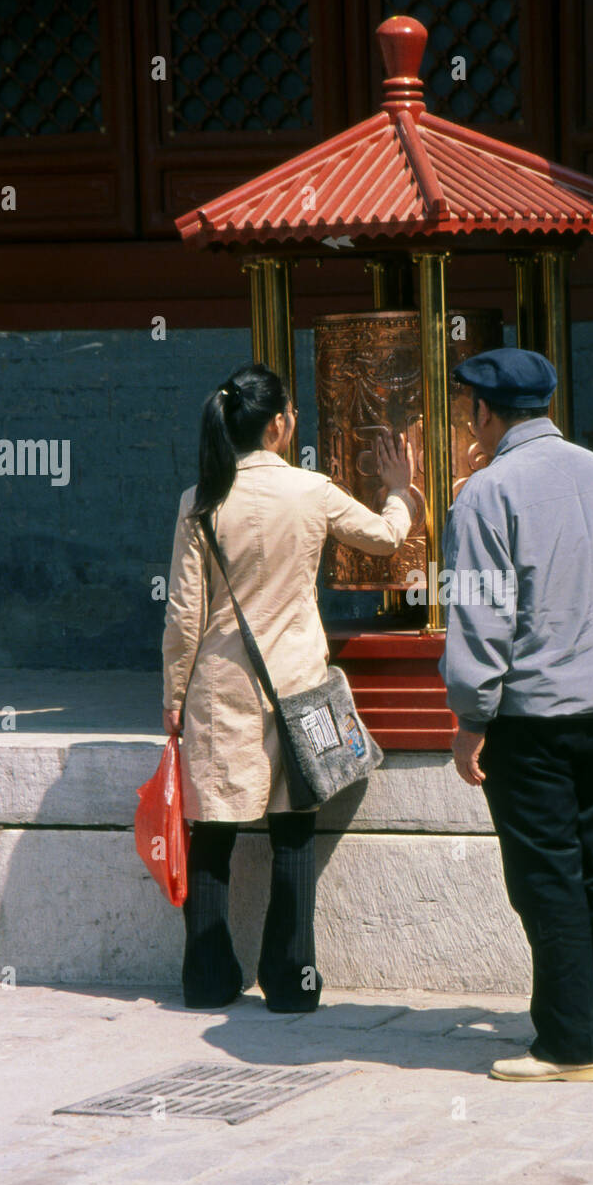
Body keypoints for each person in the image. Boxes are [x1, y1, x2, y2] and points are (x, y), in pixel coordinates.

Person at [440, 346, 593, 1083]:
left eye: (464, 408)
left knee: (547, 874)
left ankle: (569, 1042)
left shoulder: (485, 492)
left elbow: (480, 621)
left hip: (532, 717)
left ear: (481, 411)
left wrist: (470, 717)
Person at [162, 362, 414, 1011]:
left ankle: (208, 978)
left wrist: (172, 700)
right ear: (278, 425)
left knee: (211, 831)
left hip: (220, 691)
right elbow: (387, 539)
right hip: (299, 687)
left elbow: (184, 618)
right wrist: (400, 489)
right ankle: (291, 980)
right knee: (294, 831)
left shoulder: (200, 501)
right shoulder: (313, 491)